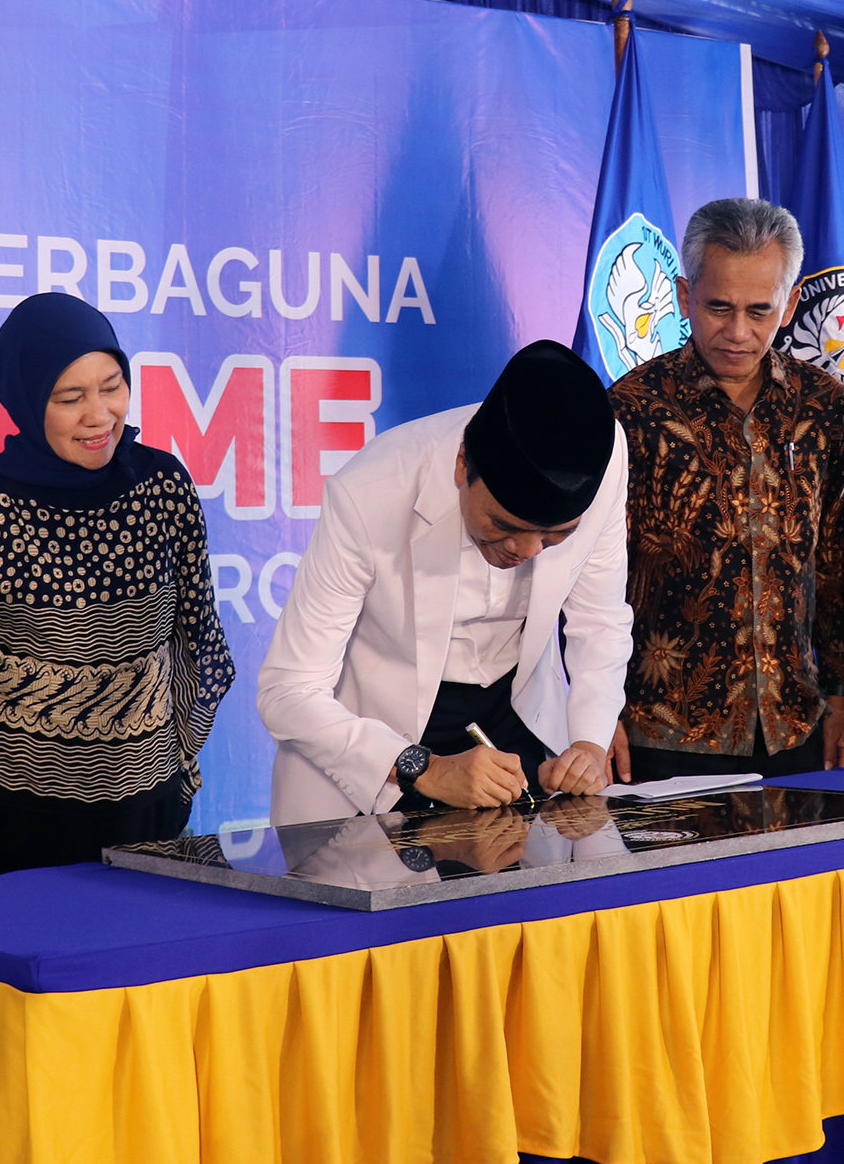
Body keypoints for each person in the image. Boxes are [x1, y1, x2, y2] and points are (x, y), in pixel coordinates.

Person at [257, 339, 630, 826]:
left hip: (513, 715)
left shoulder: (603, 454)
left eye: (556, 536)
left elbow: (599, 620)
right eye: (504, 526)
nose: (528, 552)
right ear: (462, 465)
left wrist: (586, 741)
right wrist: (422, 767)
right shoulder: (369, 494)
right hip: (380, 738)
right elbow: (288, 690)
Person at [0, 294, 234, 873]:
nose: (99, 414)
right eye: (70, 397)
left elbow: (200, 639)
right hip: (20, 826)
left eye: (113, 386)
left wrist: (177, 767)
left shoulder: (162, 486)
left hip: (154, 812)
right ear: (26, 400)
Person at [605, 197, 844, 785]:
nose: (738, 333)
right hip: (660, 733)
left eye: (759, 310)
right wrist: (595, 713)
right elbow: (591, 578)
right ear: (681, 293)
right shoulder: (631, 408)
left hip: (794, 729)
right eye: (718, 307)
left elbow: (833, 559)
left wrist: (841, 691)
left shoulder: (822, 404)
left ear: (791, 303)